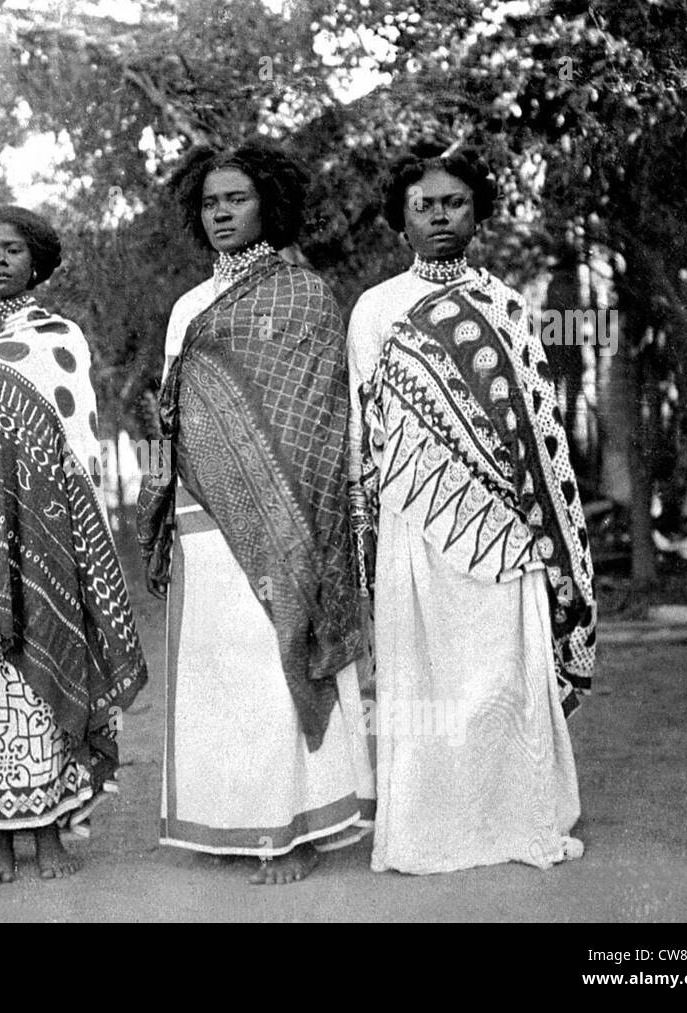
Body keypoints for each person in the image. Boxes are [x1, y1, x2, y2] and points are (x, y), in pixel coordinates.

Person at [346, 143, 597, 874]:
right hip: (412, 523)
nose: (440, 216)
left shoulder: (507, 307)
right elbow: (365, 428)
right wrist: (368, 535)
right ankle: (428, 831)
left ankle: (517, 821)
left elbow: (538, 433)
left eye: (454, 203)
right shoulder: (375, 309)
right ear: (401, 221)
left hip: (506, 530)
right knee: (425, 682)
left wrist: (538, 535)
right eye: (423, 206)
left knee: (500, 681)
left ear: (477, 213)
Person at [136, 140, 375, 886]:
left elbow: (321, 419)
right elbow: (168, 420)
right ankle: (237, 818)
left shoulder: (305, 296)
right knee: (223, 671)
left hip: (289, 518)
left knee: (279, 663)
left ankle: (294, 830)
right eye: (210, 203)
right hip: (200, 517)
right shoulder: (187, 308)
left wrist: (308, 516)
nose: (222, 213)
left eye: (236, 199)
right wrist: (155, 507)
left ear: (267, 203)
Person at [0, 205, 147, 885]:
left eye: (15, 250)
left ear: (37, 261)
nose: (2, 260)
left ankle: (48, 834)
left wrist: (74, 533)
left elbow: (81, 442)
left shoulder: (60, 336)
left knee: (44, 673)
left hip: (47, 534)